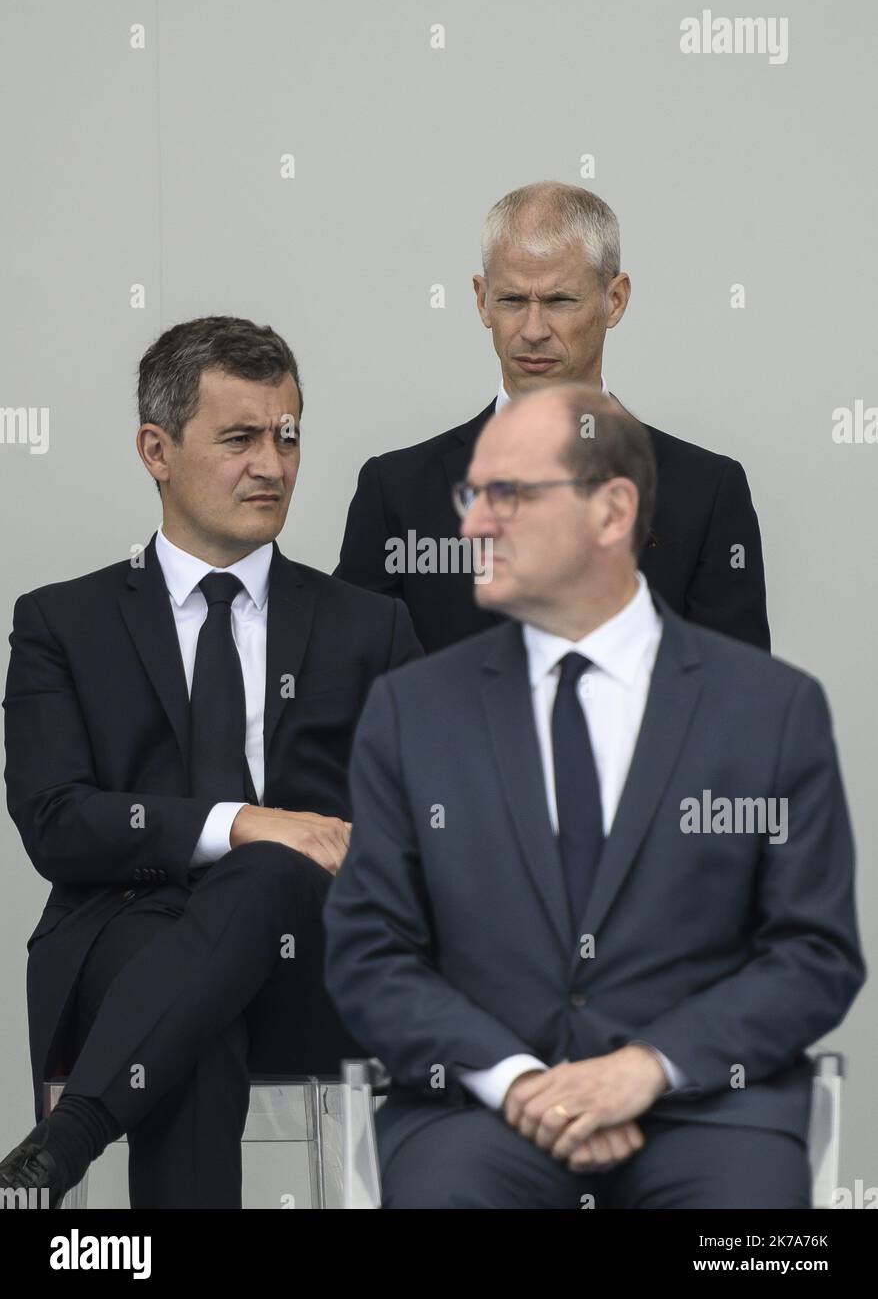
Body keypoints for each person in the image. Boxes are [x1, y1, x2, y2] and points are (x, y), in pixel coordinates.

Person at [324, 385, 863, 1209]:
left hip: (711, 1115)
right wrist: (513, 1081)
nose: (470, 528)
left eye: (507, 494)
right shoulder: (413, 712)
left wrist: (647, 1068)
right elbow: (368, 951)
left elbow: (813, 953)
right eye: (473, 495)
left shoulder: (770, 710)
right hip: (478, 1118)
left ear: (613, 513)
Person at [0, 315, 421, 1208]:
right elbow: (56, 824)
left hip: (313, 959)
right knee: (193, 1005)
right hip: (119, 937)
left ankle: (73, 1132)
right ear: (156, 449)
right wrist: (241, 822)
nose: (271, 465)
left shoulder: (367, 626)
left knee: (268, 876)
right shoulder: (59, 624)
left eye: (287, 435)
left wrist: (289, 848)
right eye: (239, 438)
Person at [336, 181, 770, 653]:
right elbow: (358, 691)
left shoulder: (705, 493)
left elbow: (736, 703)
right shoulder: (397, 492)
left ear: (615, 300)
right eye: (512, 301)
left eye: (560, 301)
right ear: (482, 301)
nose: (534, 331)